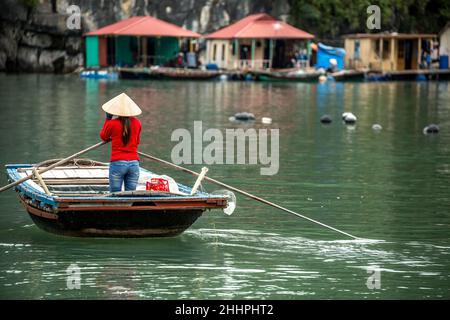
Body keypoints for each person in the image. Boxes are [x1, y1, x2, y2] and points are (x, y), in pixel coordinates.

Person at [100, 93, 142, 193]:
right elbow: (137, 142)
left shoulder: (112, 124)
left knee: (115, 194)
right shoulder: (137, 123)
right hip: (134, 164)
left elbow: (104, 137)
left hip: (118, 163)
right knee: (131, 194)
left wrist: (107, 119)